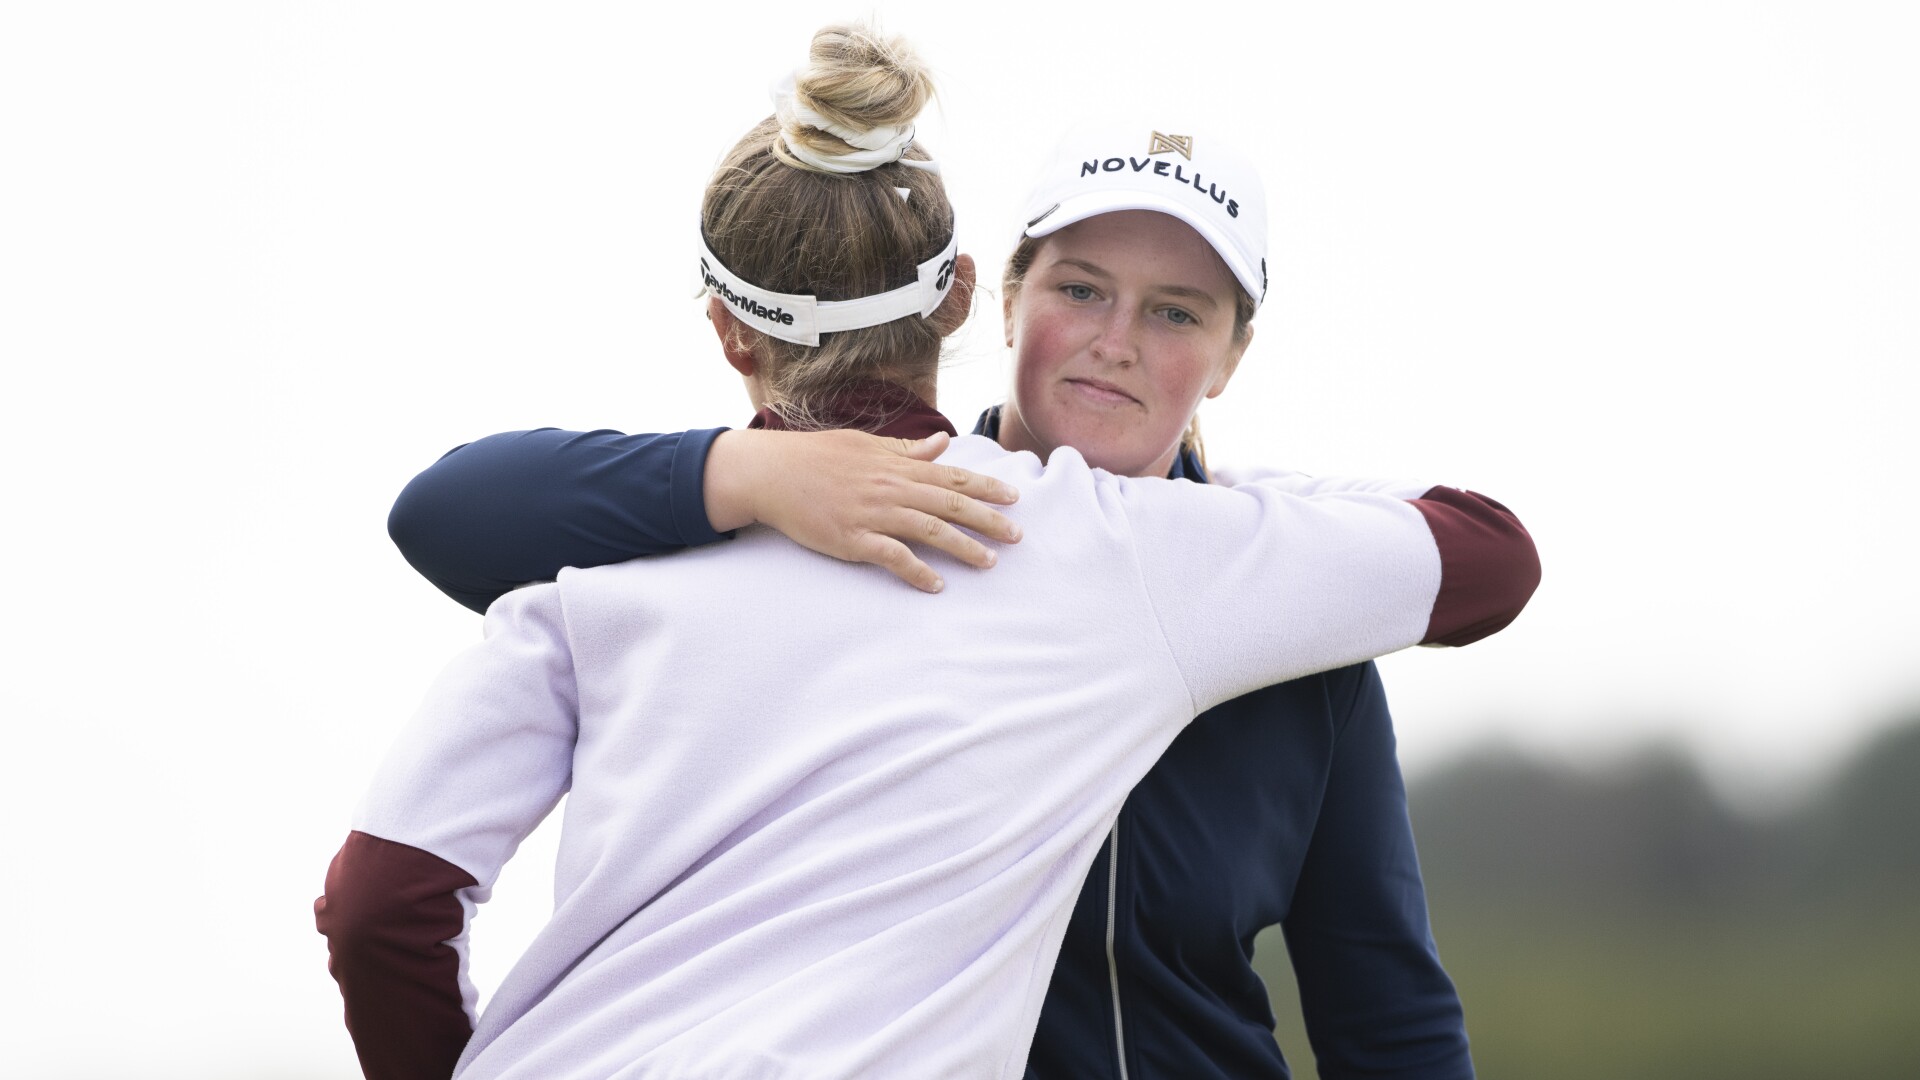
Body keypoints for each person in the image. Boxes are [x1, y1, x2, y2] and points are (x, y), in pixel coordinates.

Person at [321, 23, 1538, 1080]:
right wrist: (742, 473)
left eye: (1177, 313)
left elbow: (1388, 1013)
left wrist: (1234, 510)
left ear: (1231, 355)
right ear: (984, 299)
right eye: (1082, 287)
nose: (1117, 342)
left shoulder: (1264, 600)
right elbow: (441, 514)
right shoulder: (1061, 549)